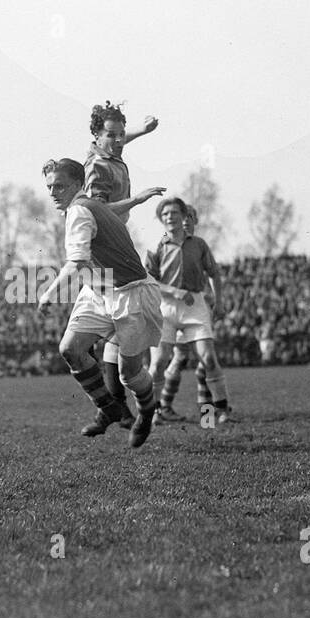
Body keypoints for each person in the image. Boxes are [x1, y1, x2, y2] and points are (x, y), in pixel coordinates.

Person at [37, 158, 163, 447]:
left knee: (129, 374)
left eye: (59, 186)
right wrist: (136, 199)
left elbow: (77, 261)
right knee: (70, 348)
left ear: (77, 185)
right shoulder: (87, 206)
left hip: (131, 293)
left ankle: (146, 410)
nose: (53, 192)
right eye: (49, 187)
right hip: (99, 289)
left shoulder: (80, 211)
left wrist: (48, 293)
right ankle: (110, 409)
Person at [83, 101, 160, 421]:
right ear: (97, 136)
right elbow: (97, 210)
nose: (118, 140)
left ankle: (116, 407)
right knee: (116, 324)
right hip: (104, 246)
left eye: (120, 134)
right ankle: (115, 403)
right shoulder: (98, 166)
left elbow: (120, 139)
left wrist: (142, 130)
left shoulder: (109, 151)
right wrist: (138, 199)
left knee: (117, 327)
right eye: (111, 135)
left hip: (113, 241)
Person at [146, 197, 232, 423]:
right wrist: (174, 292)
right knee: (163, 361)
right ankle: (158, 410)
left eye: (175, 213)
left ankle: (217, 412)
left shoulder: (198, 244)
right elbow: (149, 280)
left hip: (194, 305)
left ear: (185, 217)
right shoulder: (158, 246)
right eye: (165, 215)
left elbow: (214, 273)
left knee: (206, 360)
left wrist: (219, 302)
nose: (170, 218)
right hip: (166, 307)